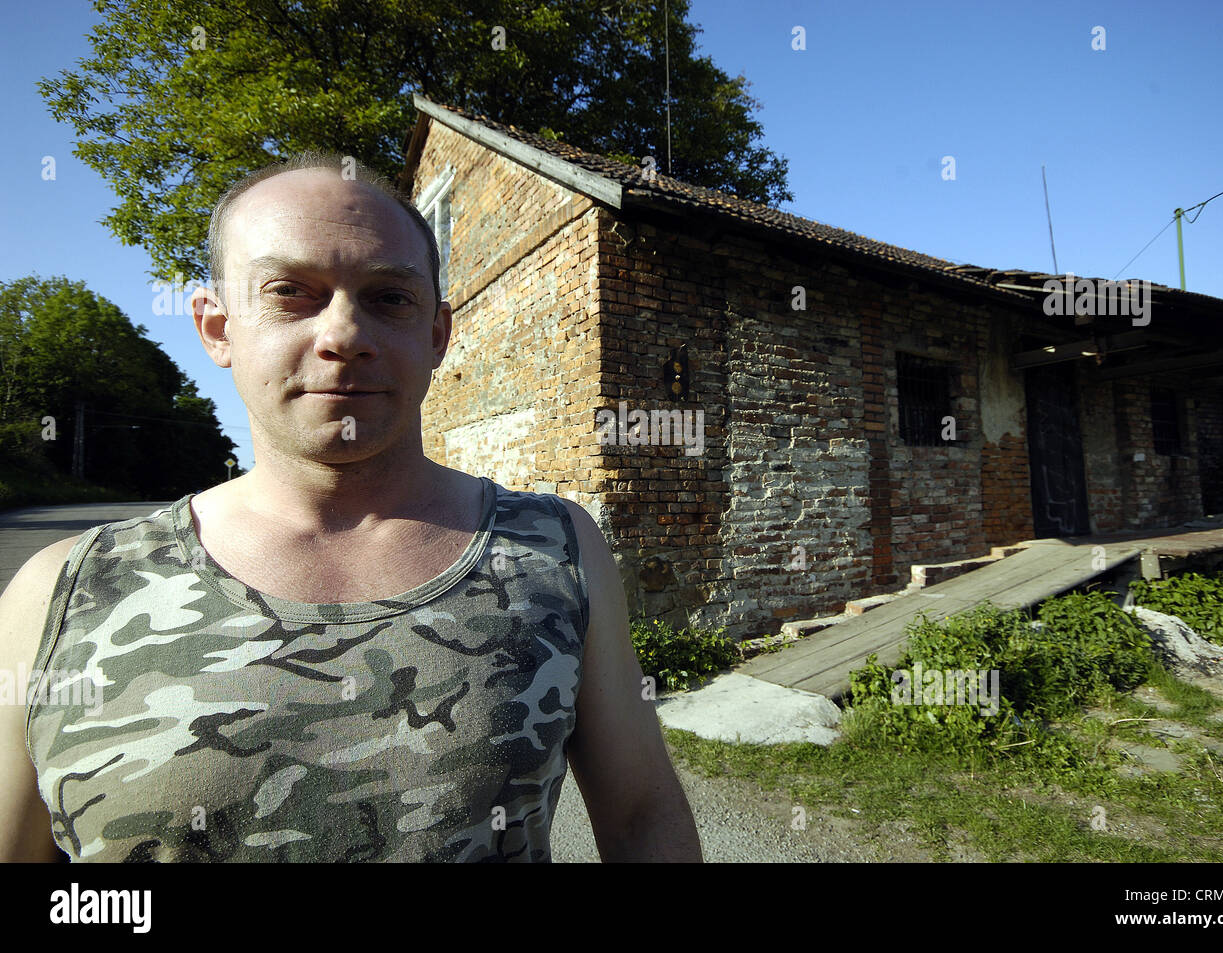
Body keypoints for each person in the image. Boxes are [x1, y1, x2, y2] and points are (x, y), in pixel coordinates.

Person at [0, 153, 702, 862]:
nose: (344, 335)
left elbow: (643, 818)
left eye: (389, 297)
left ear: (436, 336)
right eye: (290, 291)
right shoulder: (62, 591)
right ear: (217, 328)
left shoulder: (555, 548)